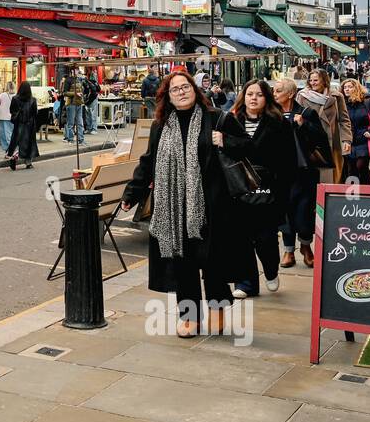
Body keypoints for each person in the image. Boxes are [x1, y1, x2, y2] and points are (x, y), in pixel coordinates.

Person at [120, 72, 252, 336]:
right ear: (167, 97)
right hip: (174, 207)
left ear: (195, 89)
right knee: (184, 264)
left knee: (213, 262)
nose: (181, 92)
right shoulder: (161, 125)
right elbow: (149, 161)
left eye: (185, 87)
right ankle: (190, 317)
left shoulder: (216, 118)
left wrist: (224, 140)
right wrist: (131, 193)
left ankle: (217, 311)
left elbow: (249, 147)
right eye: (175, 89)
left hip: (213, 207)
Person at [228, 79, 294, 298]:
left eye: (258, 94)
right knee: (240, 239)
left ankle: (271, 270)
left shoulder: (279, 123)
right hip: (238, 191)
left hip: (268, 192)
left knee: (265, 240)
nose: (253, 98)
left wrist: (281, 195)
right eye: (249, 94)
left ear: (266, 98)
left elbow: (288, 162)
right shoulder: (231, 122)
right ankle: (245, 284)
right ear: (243, 97)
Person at [273, 77, 331, 268]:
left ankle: (306, 247)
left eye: (278, 90)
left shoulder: (307, 113)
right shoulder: (271, 115)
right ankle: (289, 251)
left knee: (304, 212)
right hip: (280, 173)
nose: (274, 93)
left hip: (303, 172)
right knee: (285, 212)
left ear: (290, 94)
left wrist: (303, 124)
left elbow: (321, 138)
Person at [306, 67, 352, 183]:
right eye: (311, 80)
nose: (313, 83)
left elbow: (344, 120)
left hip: (333, 142)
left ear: (324, 80)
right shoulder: (303, 96)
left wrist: (346, 140)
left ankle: (330, 199)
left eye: (316, 80)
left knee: (334, 176)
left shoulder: (336, 97)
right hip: (311, 143)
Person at [341, 78, 370, 187]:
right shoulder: (341, 103)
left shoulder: (367, 102)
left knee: (361, 166)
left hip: (364, 141)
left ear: (356, 88)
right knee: (350, 169)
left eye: (350, 87)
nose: (347, 89)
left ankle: (365, 190)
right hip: (348, 141)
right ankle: (352, 195)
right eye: (345, 87)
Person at [6, 81, 40, 170]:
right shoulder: (33, 100)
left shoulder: (15, 99)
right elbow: (35, 113)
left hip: (19, 123)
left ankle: (14, 157)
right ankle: (28, 163)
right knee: (29, 143)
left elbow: (11, 110)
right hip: (29, 125)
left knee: (16, 141)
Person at [60, 70, 84, 144]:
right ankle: (70, 139)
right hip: (71, 104)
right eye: (76, 70)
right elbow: (64, 92)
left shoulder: (79, 79)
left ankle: (81, 139)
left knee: (80, 123)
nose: (78, 72)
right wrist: (75, 94)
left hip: (79, 103)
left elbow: (82, 89)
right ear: (72, 71)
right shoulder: (68, 80)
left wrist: (81, 94)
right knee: (71, 123)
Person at [0, 82, 14, 151]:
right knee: (10, 133)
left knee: (4, 134)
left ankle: (8, 149)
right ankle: (10, 149)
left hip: (2, 116)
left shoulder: (2, 95)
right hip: (11, 117)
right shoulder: (15, 95)